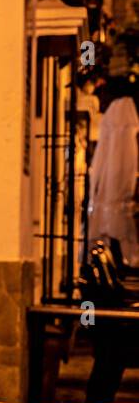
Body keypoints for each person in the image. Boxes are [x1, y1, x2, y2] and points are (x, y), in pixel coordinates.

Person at [88, 74, 139, 267]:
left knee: (114, 214)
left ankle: (115, 259)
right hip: (116, 179)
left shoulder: (120, 111)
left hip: (114, 179)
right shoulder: (122, 113)